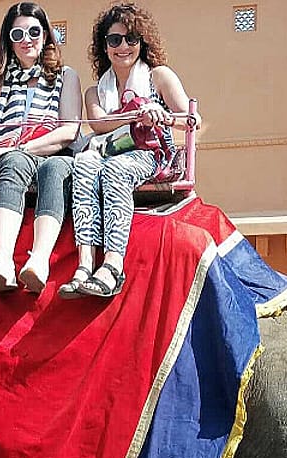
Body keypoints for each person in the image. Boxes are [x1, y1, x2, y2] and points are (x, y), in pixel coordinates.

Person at [61, 3, 200, 299]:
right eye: (115, 40)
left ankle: (112, 265)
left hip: (148, 154)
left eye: (131, 38)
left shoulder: (158, 77)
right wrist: (136, 112)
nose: (123, 46)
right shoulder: (95, 91)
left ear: (142, 42)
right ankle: (85, 264)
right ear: (105, 46)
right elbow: (98, 123)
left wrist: (160, 115)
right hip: (107, 151)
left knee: (115, 170)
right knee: (84, 163)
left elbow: (191, 118)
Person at [0, 3, 82, 293]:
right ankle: (3, 260)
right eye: (17, 34)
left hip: (53, 156)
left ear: (45, 35)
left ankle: (39, 261)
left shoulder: (66, 76)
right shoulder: (0, 82)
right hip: (12, 161)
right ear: (8, 40)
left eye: (34, 31)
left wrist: (25, 146)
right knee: (14, 163)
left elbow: (69, 131)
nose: (27, 40)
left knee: (56, 167)